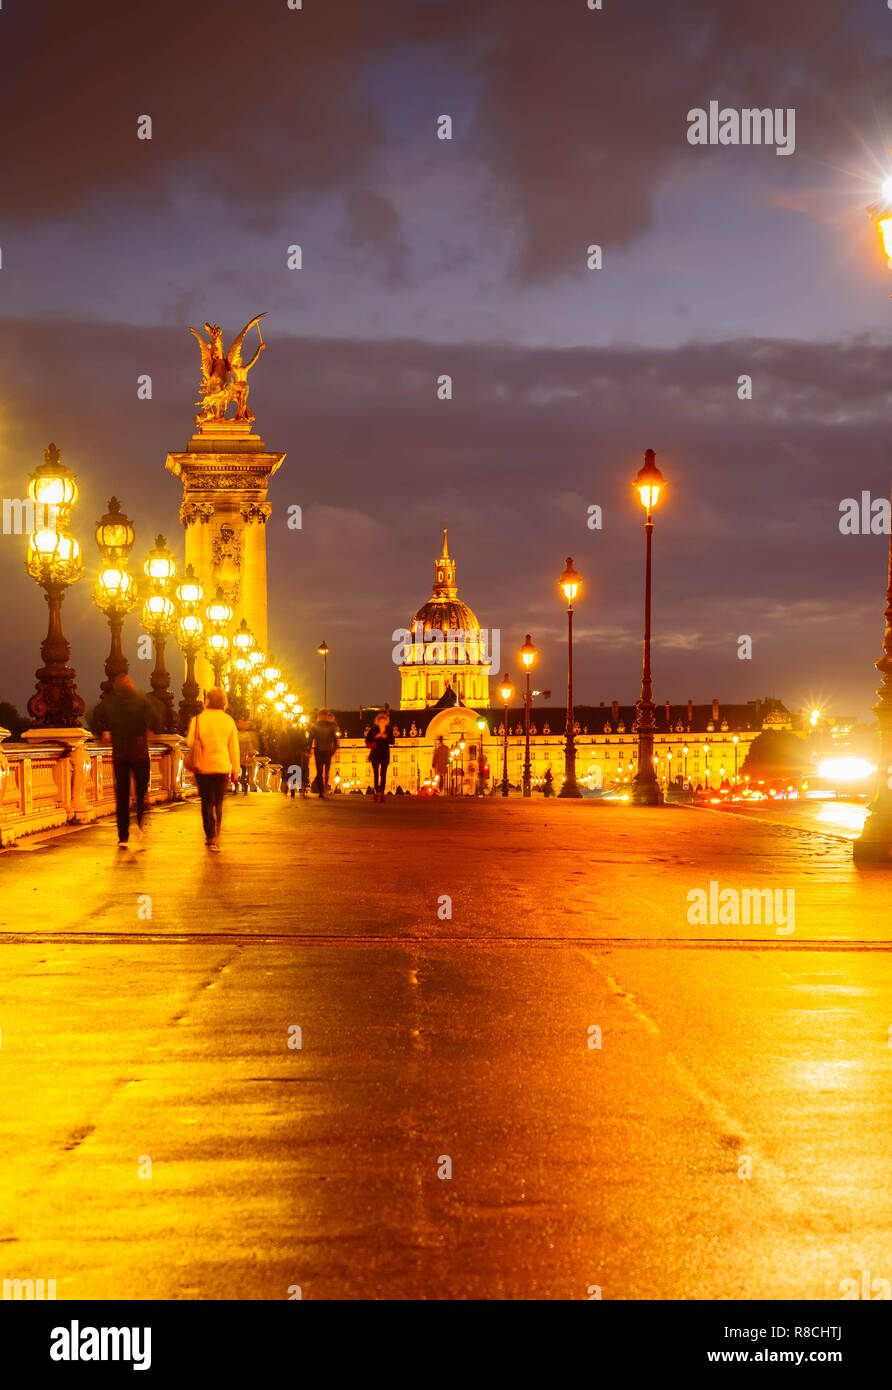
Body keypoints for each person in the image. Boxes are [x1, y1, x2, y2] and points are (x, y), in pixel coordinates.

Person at [93, 673, 161, 850]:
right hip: (138, 751)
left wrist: (103, 732)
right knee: (140, 791)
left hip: (120, 752)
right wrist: (151, 729)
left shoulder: (110, 702)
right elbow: (156, 716)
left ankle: (123, 835)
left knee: (121, 794)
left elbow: (93, 716)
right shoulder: (141, 699)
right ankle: (138, 824)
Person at [186, 688, 240, 850]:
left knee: (206, 802)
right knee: (218, 802)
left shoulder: (198, 720)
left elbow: (189, 742)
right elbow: (234, 747)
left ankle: (210, 836)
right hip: (222, 766)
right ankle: (216, 831)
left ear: (207, 700)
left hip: (203, 766)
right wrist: (235, 769)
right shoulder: (228, 720)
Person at [308, 709, 339, 797]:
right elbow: (335, 740)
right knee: (326, 771)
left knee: (319, 772)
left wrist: (309, 749)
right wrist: (334, 749)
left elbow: (310, 739)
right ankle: (324, 788)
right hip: (327, 751)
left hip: (319, 751)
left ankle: (322, 791)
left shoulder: (315, 726)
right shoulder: (331, 726)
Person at [365, 710, 395, 802]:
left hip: (385, 753)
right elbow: (367, 740)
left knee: (383, 774)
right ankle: (376, 791)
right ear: (378, 721)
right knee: (376, 774)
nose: (382, 722)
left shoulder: (389, 729)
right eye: (380, 720)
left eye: (384, 720)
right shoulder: (374, 729)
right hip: (375, 753)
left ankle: (381, 791)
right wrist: (376, 736)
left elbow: (392, 741)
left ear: (386, 721)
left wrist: (386, 737)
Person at [236, 720, 260, 793]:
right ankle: (238, 785)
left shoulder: (247, 735)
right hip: (236, 758)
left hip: (243, 758)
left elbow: (250, 747)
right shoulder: (236, 733)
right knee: (238, 772)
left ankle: (244, 785)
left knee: (243, 773)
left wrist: (250, 756)